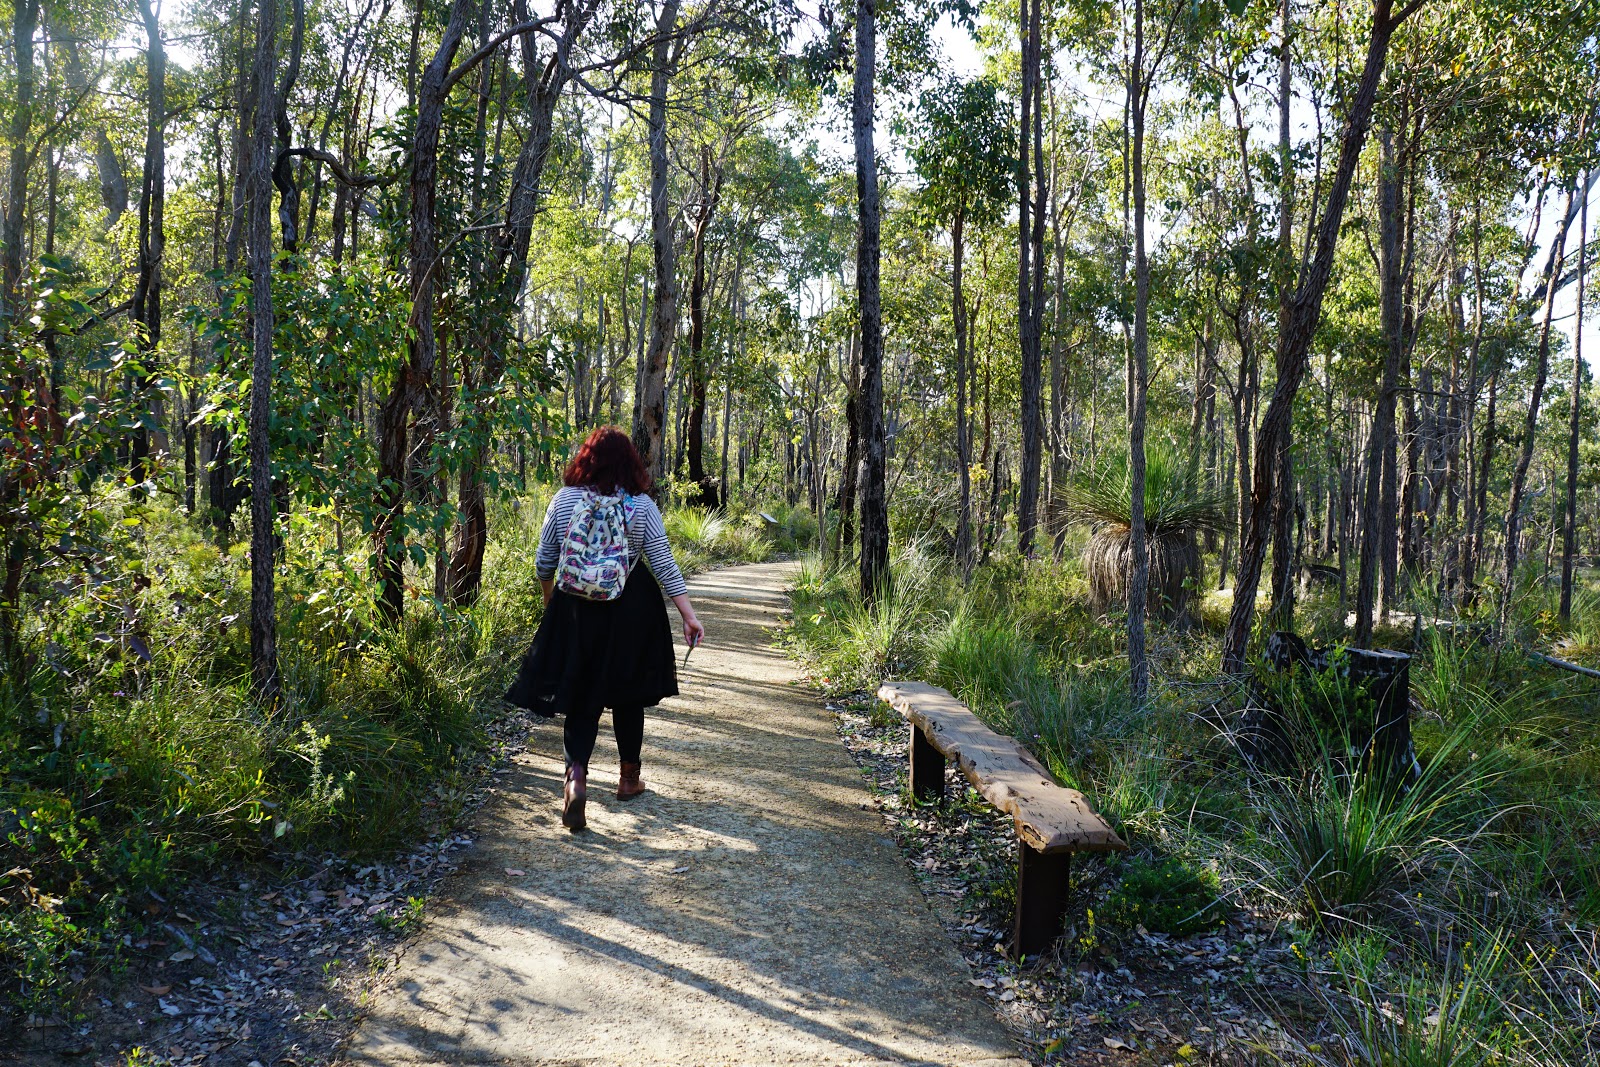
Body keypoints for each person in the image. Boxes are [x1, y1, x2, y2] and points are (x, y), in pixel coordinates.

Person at [505, 427, 705, 831]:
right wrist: (688, 614)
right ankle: (628, 779)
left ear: (586, 459)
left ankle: (576, 777)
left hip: (577, 608)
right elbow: (663, 564)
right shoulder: (642, 506)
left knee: (581, 695)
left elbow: (545, 561)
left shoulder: (564, 500)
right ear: (631, 463)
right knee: (628, 694)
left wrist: (552, 602)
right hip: (632, 607)